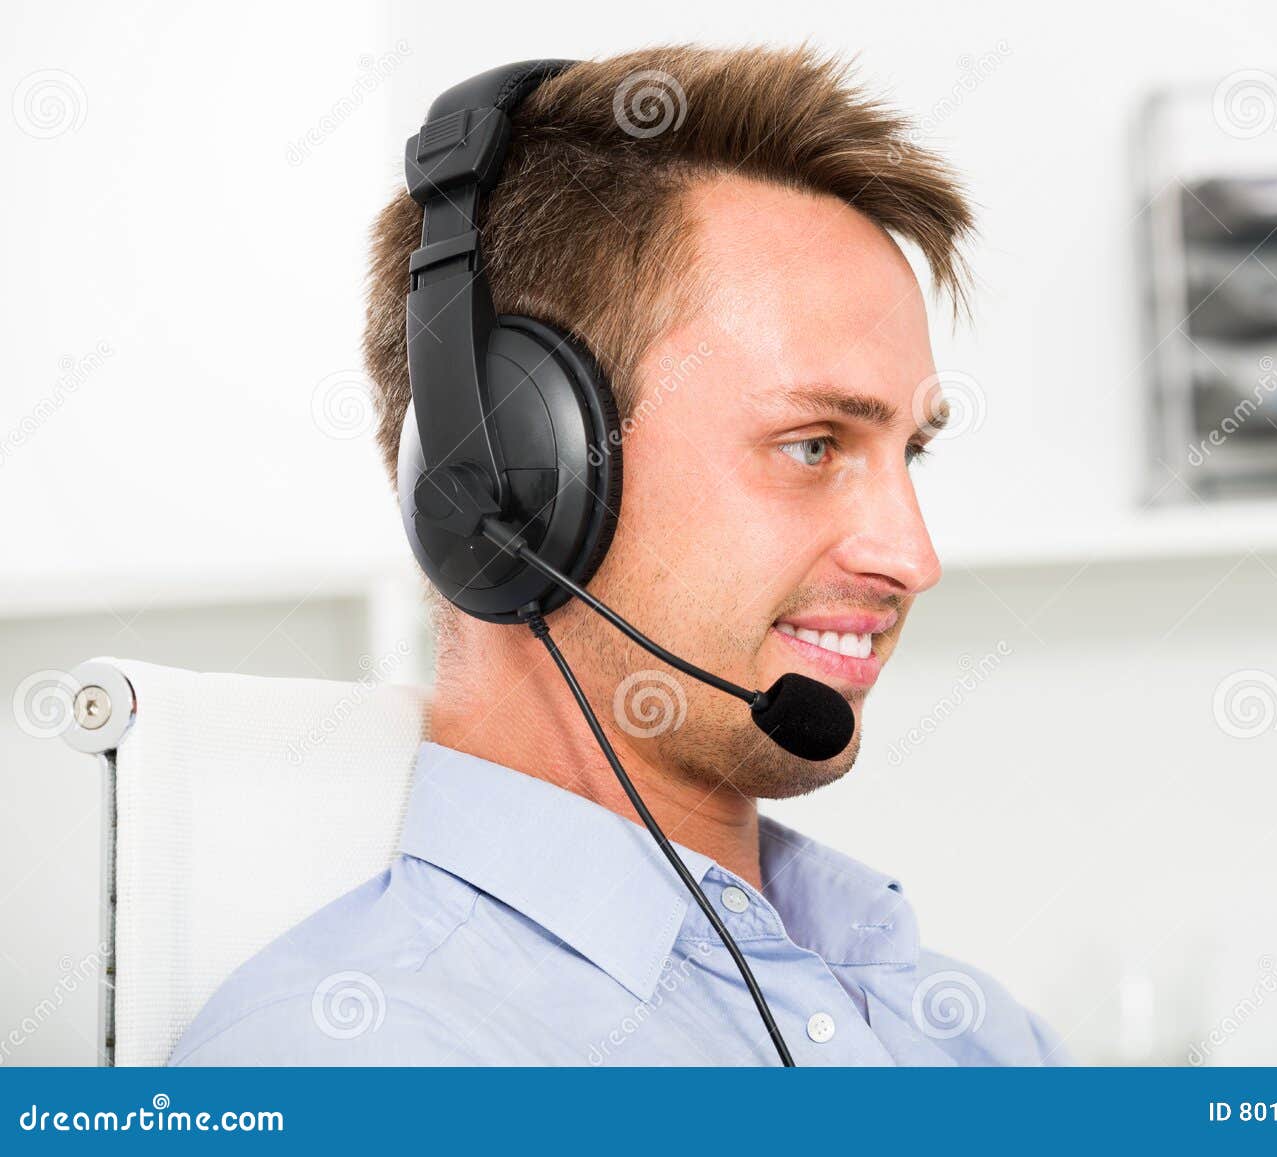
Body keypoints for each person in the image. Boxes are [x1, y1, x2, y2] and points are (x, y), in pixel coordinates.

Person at [172, 43, 1064, 1066]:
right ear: (514, 474)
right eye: (812, 443)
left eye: (908, 450)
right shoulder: (357, 1063)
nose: (913, 556)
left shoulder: (966, 1029)